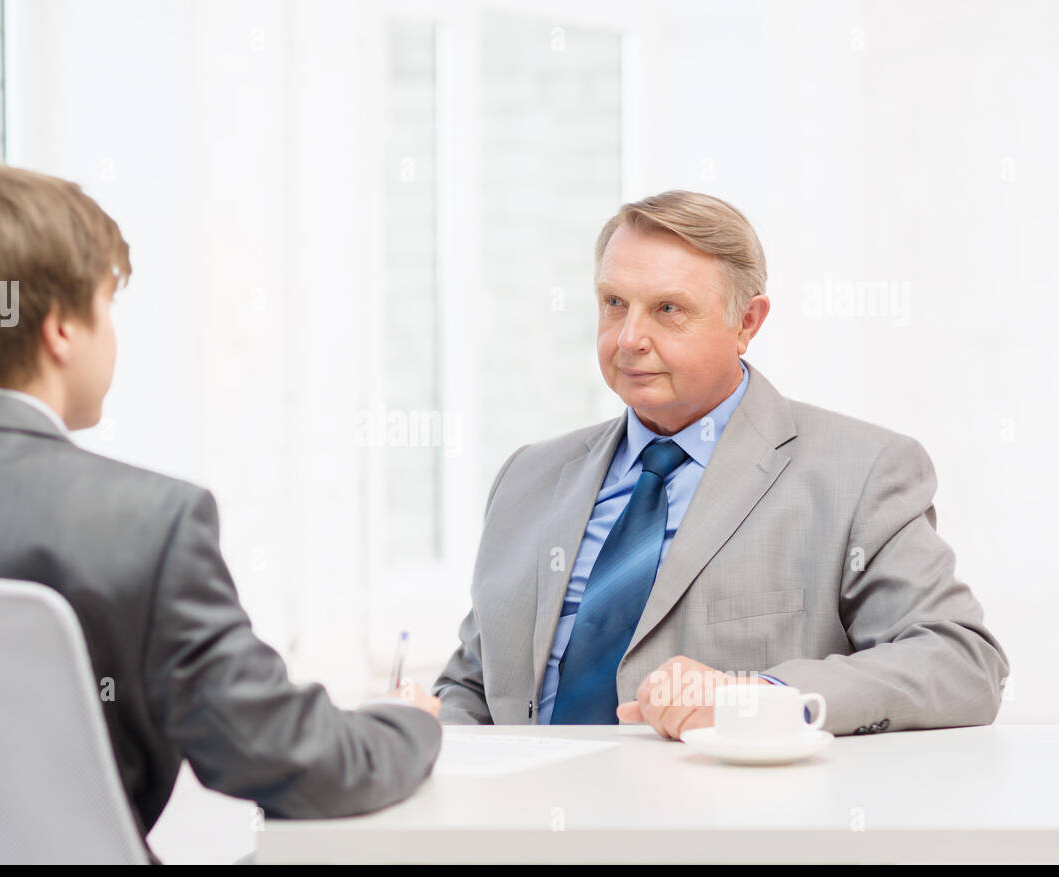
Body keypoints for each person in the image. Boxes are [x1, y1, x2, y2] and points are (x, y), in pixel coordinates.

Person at [0, 165, 441, 859]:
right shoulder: (148, 527)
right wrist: (404, 722)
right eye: (107, 305)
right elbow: (291, 758)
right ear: (61, 328)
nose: (112, 332)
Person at [432, 189, 1008, 738]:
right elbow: (473, 688)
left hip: (722, 829)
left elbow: (961, 662)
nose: (629, 337)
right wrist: (415, 732)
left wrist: (760, 697)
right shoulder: (528, 478)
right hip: (523, 829)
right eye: (614, 303)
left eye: (667, 309)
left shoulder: (861, 473)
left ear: (747, 323)